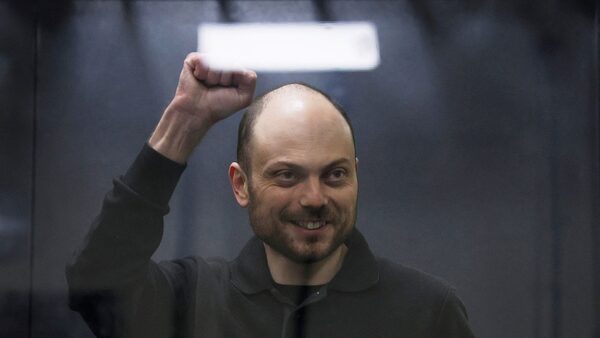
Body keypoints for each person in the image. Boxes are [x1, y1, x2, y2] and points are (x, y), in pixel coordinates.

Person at [66, 53, 475, 338]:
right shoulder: (193, 301)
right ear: (241, 185)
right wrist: (184, 121)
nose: (314, 197)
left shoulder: (426, 310)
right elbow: (97, 283)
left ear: (356, 175)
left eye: (334, 174)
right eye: (287, 176)